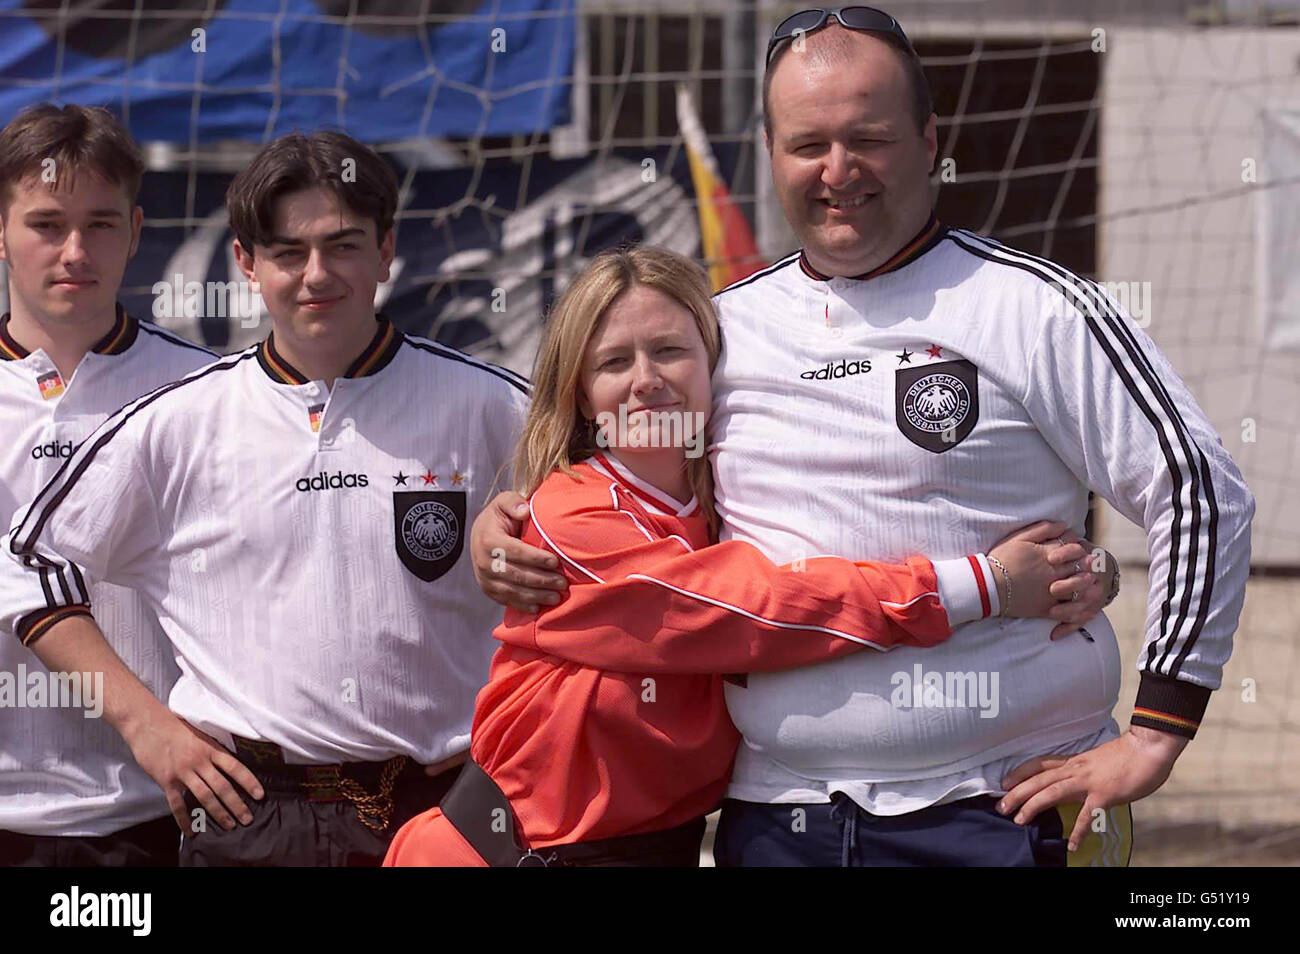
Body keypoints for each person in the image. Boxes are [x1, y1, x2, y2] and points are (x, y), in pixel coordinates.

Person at [470, 8, 1254, 867]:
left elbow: (1200, 489)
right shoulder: (723, 332)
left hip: (1001, 807)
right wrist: (507, 524)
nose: (837, 171)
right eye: (808, 144)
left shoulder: (1036, 308)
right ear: (770, 150)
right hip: (778, 817)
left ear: (928, 138)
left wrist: (1156, 732)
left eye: (867, 138)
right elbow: (620, 477)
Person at [384, 245, 1111, 867]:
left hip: (660, 848)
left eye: (670, 350)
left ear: (715, 368)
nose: (646, 379)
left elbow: (842, 553)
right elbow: (761, 608)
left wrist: (1084, 573)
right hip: (508, 851)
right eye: (614, 361)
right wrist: (984, 584)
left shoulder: (725, 516)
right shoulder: (569, 517)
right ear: (580, 394)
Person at [0, 130, 529, 866]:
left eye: (344, 245)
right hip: (247, 814)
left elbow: (608, 530)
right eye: (287, 252)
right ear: (247, 263)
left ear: (386, 252)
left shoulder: (493, 408)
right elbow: (28, 565)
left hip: (441, 807)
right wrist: (149, 726)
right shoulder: (176, 420)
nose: (317, 274)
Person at [0, 104, 217, 866]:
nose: (74, 250)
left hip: (159, 802)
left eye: (99, 224)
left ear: (134, 230)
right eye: (45, 223)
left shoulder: (202, 390)